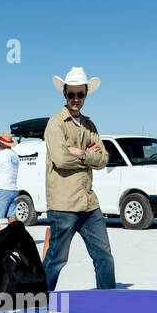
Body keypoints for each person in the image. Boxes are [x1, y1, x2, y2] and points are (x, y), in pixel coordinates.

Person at [41, 66, 116, 291]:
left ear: (86, 94)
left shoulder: (90, 125)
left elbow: (104, 159)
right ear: (64, 94)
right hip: (64, 204)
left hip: (89, 203)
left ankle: (110, 301)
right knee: (57, 258)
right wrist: (88, 155)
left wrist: (81, 152)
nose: (76, 99)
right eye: (71, 94)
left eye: (80, 94)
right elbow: (61, 159)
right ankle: (37, 301)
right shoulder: (55, 123)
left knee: (104, 256)